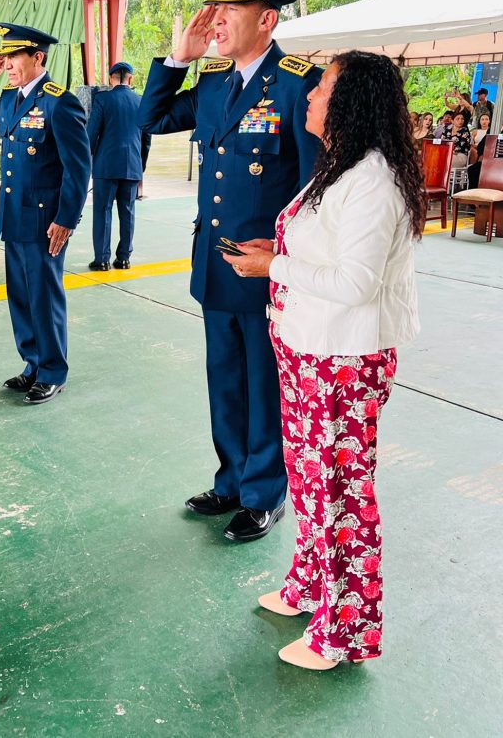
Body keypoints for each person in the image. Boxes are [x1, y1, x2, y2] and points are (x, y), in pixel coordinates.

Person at [223, 51, 423, 670]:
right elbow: (323, 247)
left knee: (340, 495)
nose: (309, 96)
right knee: (311, 482)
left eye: (323, 88)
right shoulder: (340, 167)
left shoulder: (373, 180)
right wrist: (276, 246)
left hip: (342, 361)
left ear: (351, 103)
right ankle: (311, 586)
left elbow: (356, 282)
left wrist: (273, 265)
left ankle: (344, 634)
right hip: (310, 351)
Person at [138, 0, 321, 542]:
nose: (215, 20)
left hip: (266, 267)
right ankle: (232, 481)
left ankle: (264, 493)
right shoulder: (215, 81)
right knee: (224, 379)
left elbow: (316, 185)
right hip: (216, 264)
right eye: (214, 10)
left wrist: (292, 258)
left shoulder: (298, 83)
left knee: (264, 384)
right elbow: (151, 118)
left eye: (230, 10)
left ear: (267, 19)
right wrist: (177, 61)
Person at [0, 23, 91, 404]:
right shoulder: (9, 100)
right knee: (20, 296)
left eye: (14, 56)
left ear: (38, 58)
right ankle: (33, 363)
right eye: (4, 57)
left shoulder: (59, 102)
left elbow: (78, 168)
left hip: (44, 222)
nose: (7, 64)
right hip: (14, 217)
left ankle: (52, 371)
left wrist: (66, 219)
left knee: (44, 297)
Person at [87, 61, 151, 271]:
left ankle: (102, 259)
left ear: (111, 79)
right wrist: (140, 165)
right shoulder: (141, 102)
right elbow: (147, 139)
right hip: (132, 165)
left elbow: (91, 134)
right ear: (130, 79)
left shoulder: (102, 99)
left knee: (102, 211)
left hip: (105, 166)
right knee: (127, 211)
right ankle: (123, 258)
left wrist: (87, 162)